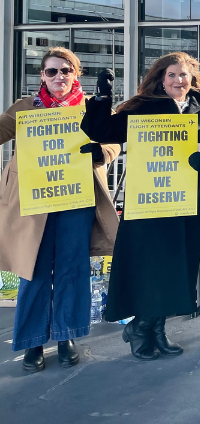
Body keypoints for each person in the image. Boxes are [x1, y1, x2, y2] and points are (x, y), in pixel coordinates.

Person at [81, 51, 200, 360]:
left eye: (183, 75)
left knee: (174, 266)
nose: (178, 80)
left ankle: (157, 329)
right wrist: (102, 97)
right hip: (149, 201)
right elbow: (102, 131)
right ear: (161, 80)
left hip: (183, 201)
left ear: (192, 79)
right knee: (148, 266)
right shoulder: (144, 108)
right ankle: (141, 327)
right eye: (172, 75)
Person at [0, 49, 120, 372]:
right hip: (35, 200)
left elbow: (113, 140)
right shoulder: (26, 107)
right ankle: (33, 341)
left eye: (65, 70)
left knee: (72, 268)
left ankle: (67, 335)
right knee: (34, 270)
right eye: (51, 71)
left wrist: (101, 153)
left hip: (76, 199)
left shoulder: (91, 106)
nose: (59, 76)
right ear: (42, 76)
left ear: (75, 74)